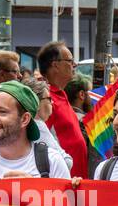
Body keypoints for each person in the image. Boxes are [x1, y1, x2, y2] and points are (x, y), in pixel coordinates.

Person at [36, 41, 87, 179]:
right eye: (70, 61)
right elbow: (41, 142)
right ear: (55, 65)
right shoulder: (45, 100)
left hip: (76, 180)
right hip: (62, 182)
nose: (74, 65)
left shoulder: (60, 94)